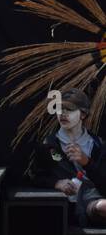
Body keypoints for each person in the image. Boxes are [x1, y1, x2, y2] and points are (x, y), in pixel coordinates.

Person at [28, 87, 106, 225]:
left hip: (93, 200)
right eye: (59, 108)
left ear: (83, 114)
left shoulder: (97, 144)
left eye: (69, 109)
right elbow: (34, 176)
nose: (63, 113)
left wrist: (86, 162)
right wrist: (57, 183)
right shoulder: (49, 145)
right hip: (64, 205)